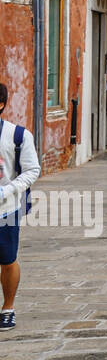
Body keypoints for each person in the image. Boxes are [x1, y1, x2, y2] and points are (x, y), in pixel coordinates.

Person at [0, 83, 39, 332]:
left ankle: (8, 307)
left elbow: (32, 170)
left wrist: (6, 191)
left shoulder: (18, 136)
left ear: (1, 104)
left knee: (7, 260)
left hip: (6, 209)